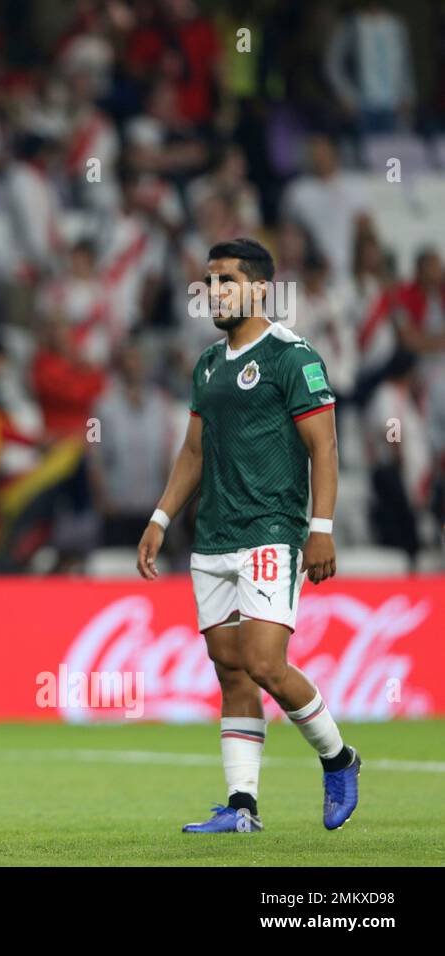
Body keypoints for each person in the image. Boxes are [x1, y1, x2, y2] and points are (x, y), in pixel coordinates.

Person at [137, 238, 361, 834]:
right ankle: (242, 806)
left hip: (271, 532)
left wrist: (322, 529)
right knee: (230, 669)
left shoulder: (293, 356)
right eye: (209, 281)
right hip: (212, 537)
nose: (214, 291)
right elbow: (192, 451)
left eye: (227, 280)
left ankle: (339, 758)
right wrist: (161, 519)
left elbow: (326, 445)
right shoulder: (208, 364)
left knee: (264, 661)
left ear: (260, 287)